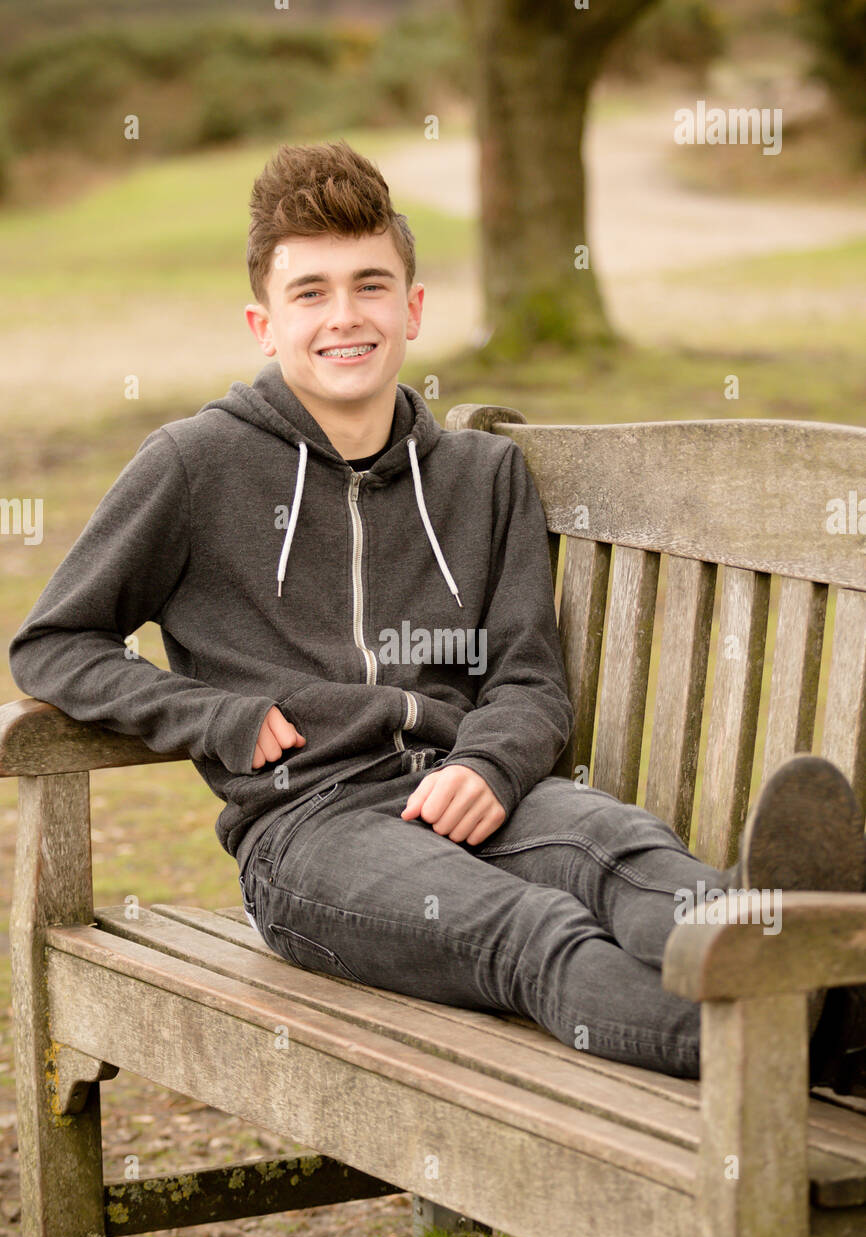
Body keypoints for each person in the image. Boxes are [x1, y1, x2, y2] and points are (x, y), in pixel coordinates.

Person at [9, 140, 866, 1093]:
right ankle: (818, 1032)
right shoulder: (194, 466)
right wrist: (215, 717)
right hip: (312, 832)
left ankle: (798, 961)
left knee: (622, 853)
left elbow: (529, 677)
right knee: (534, 933)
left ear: (412, 307)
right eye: (312, 292)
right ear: (264, 322)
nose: (346, 316)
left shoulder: (479, 476)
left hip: (471, 790)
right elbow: (52, 644)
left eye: (371, 285)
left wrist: (492, 765)